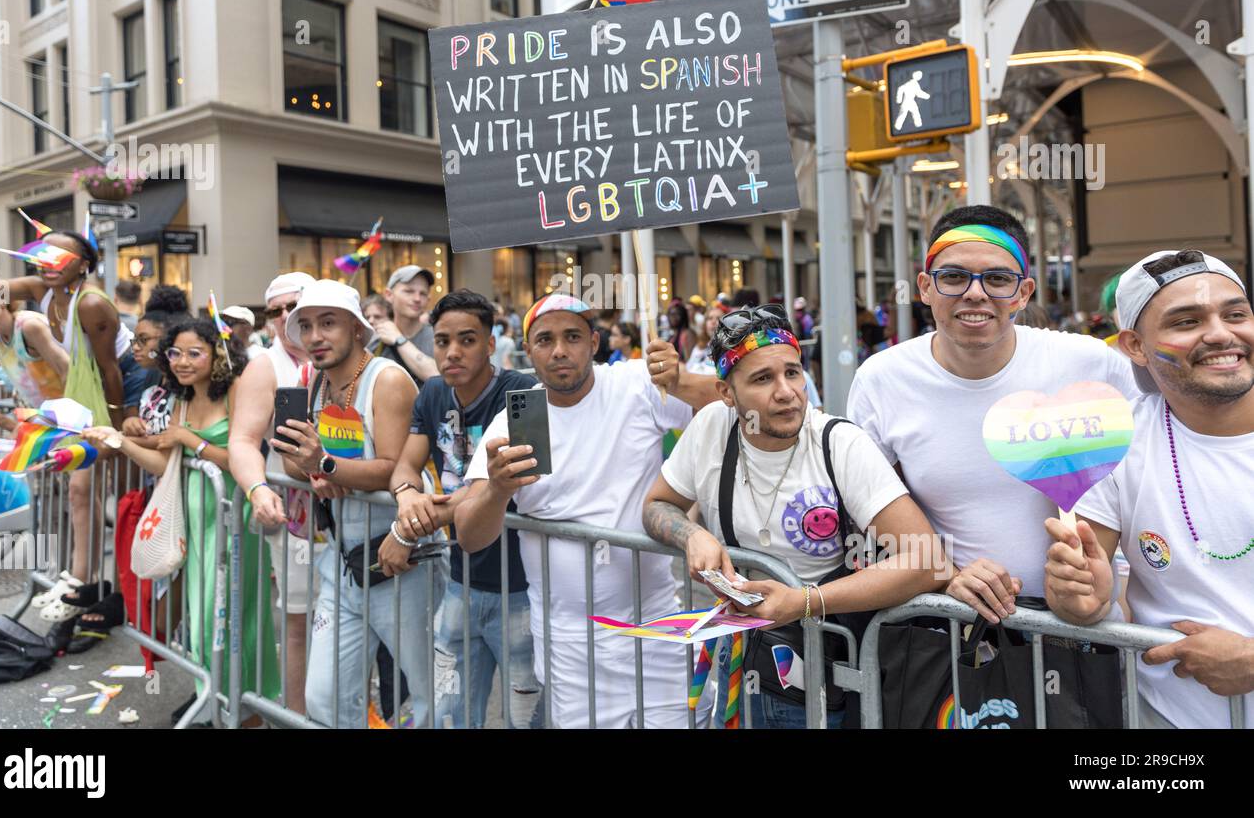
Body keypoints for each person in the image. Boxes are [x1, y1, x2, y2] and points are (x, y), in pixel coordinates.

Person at [643, 305, 949, 727]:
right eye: (763, 379)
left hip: (829, 683)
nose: (786, 391)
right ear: (727, 394)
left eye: (792, 372)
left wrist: (805, 602)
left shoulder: (839, 444)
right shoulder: (713, 427)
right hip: (744, 670)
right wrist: (693, 535)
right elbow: (657, 505)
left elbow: (926, 560)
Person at [845, 206, 1137, 624]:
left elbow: (1155, 462)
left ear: (1024, 292)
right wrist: (945, 576)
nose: (975, 293)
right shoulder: (882, 379)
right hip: (956, 626)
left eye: (998, 279)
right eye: (954, 277)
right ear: (926, 287)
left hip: (1082, 632)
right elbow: (869, 507)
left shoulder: (1092, 363)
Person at [456, 294, 722, 728]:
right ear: (529, 351)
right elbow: (469, 535)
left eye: (572, 336)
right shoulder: (518, 420)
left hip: (657, 625)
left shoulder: (636, 383)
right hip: (570, 643)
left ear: (594, 342)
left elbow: (730, 403)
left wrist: (682, 380)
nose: (559, 350)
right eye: (545, 339)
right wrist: (497, 491)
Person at [1044, 249, 1254, 728]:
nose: (1221, 333)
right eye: (1187, 321)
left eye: (1236, 314)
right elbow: (1081, 594)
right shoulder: (1110, 445)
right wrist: (1083, 598)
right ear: (1135, 346)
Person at [265, 279, 439, 728]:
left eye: (328, 323)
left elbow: (396, 468)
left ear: (358, 329)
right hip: (343, 560)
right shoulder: (317, 385)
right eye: (305, 326)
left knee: (430, 694)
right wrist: (314, 468)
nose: (316, 336)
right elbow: (300, 468)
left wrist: (325, 466)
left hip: (402, 560)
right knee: (324, 697)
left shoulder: (388, 379)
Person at [86, 317, 278, 713]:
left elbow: (246, 459)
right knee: (201, 621)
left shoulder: (237, 391)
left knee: (233, 618)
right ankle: (214, 698)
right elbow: (166, 463)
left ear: (217, 354)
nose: (182, 362)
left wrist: (193, 441)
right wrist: (119, 440)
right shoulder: (182, 398)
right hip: (194, 517)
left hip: (234, 518)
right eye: (175, 353)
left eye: (195, 353)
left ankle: (246, 707)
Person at [378, 289, 540, 728]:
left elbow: (501, 487)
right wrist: (407, 496)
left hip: (522, 589)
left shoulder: (521, 392)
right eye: (443, 340)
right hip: (460, 581)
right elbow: (404, 468)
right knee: (450, 713)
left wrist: (404, 530)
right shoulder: (432, 393)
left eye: (467, 340)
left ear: (491, 345)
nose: (453, 352)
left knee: (526, 718)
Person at [0, 228, 146, 587]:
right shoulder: (36, 289)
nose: (48, 262)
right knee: (83, 498)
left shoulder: (90, 304)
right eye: (43, 254)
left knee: (120, 497)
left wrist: (116, 432)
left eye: (60, 257)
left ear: (83, 265)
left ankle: (115, 592)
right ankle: (85, 585)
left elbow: (109, 371)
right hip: (78, 406)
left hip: (119, 392)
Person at [226, 270, 317, 716]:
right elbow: (242, 440)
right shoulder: (265, 365)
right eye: (275, 310)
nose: (285, 317)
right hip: (300, 519)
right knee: (299, 623)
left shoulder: (352, 354)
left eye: (293, 305)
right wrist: (259, 489)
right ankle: (298, 717)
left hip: (359, 512)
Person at [0, 289, 68, 431]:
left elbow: (70, 373)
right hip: (42, 422)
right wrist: (6, 423)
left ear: (2, 298)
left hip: (71, 423)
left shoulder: (29, 327)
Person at [123, 285, 191, 443]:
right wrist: (131, 423)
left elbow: (172, 440)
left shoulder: (187, 382)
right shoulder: (153, 375)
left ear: (168, 339)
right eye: (135, 340)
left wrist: (120, 441)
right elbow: (148, 428)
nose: (135, 347)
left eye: (143, 340)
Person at [367, 266, 440, 384]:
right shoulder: (376, 340)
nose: (417, 298)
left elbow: (439, 377)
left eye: (423, 293)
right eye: (409, 291)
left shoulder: (439, 337)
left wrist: (398, 339)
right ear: (389, 295)